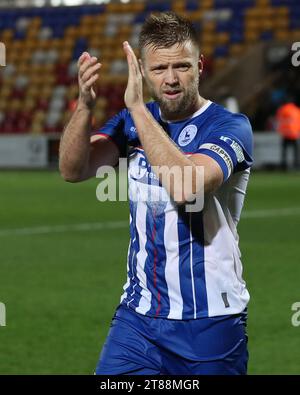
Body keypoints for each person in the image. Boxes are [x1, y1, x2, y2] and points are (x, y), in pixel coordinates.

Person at [59, 12, 253, 375]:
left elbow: (186, 186)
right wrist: (84, 104)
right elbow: (73, 169)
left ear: (199, 65)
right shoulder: (132, 121)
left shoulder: (230, 126)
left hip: (210, 323)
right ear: (143, 72)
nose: (171, 79)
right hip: (138, 320)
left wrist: (136, 108)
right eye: (159, 69)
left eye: (181, 66)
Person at [275, 97, 300, 170]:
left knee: (284, 151)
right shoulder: (297, 110)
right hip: (294, 134)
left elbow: (278, 120)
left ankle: (284, 165)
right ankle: (296, 165)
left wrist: (279, 130)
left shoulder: (282, 109)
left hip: (285, 133)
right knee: (295, 151)